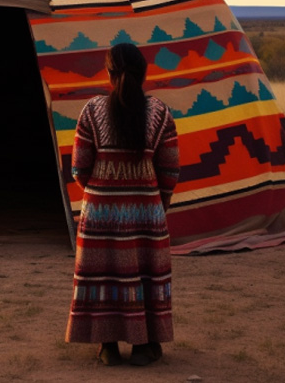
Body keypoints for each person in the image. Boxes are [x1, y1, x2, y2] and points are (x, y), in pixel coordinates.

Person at [64, 42, 180, 367]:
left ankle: (108, 347)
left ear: (109, 74)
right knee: (145, 275)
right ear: (143, 73)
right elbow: (170, 170)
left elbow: (78, 168)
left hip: (101, 214)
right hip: (146, 212)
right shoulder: (160, 113)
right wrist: (157, 203)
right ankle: (145, 347)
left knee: (105, 275)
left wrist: (102, 193)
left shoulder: (91, 111)